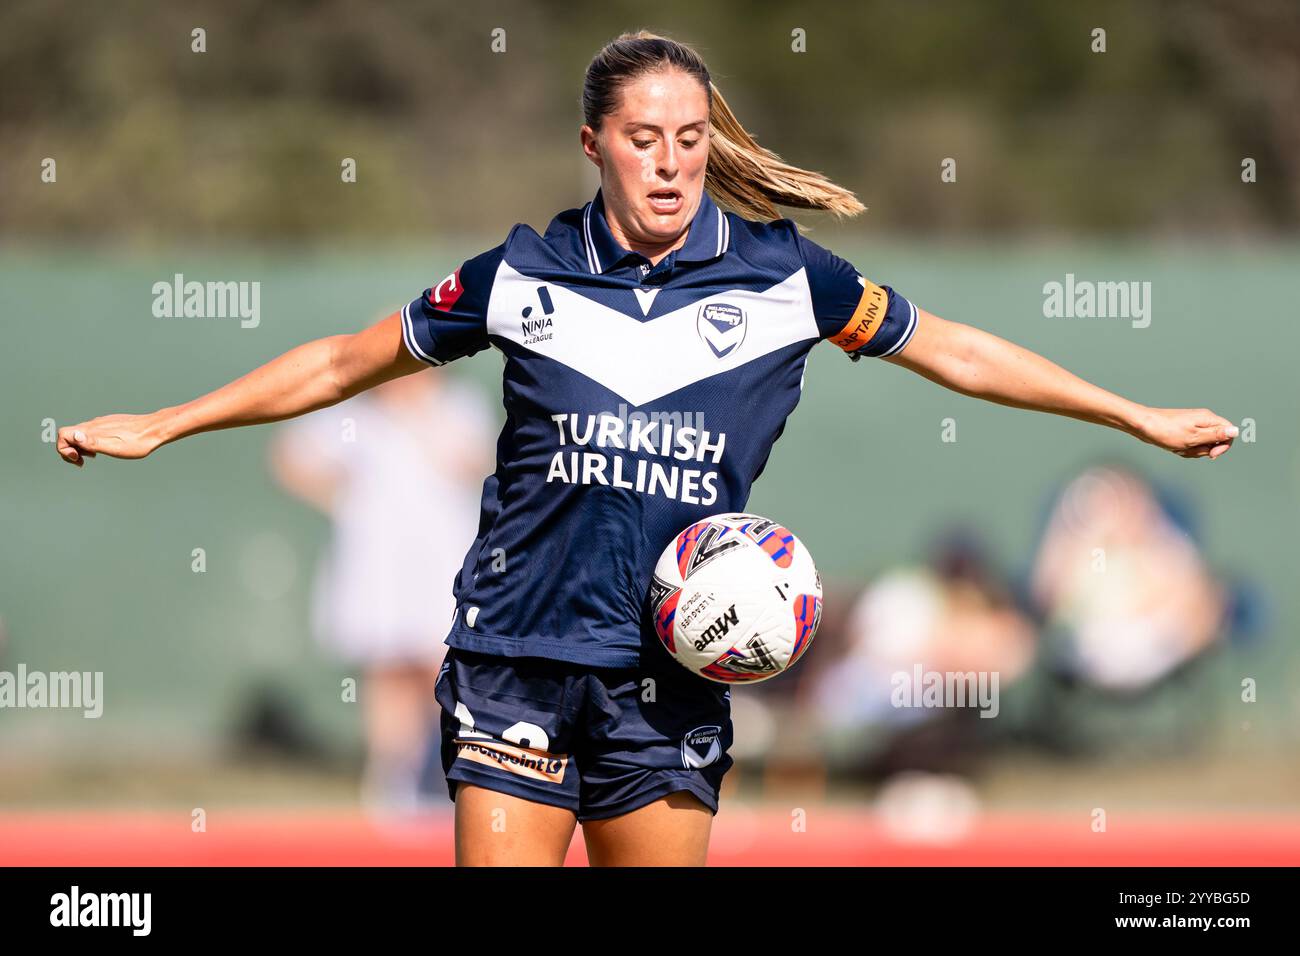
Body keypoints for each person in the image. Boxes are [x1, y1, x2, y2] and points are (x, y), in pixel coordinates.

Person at [55, 31, 1237, 866]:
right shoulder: (519, 275)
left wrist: (1130, 413)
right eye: (641, 138)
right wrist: (166, 420)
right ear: (593, 144)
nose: (668, 161)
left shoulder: (786, 278)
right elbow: (337, 364)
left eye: (686, 137)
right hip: (516, 652)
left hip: (669, 670)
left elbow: (959, 352)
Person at [270, 371, 494, 813]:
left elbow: (477, 463)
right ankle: (392, 788)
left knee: (444, 670)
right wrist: (339, 498)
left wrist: (418, 416)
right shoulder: (354, 417)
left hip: (443, 564)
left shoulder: (459, 406)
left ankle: (442, 776)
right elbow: (288, 457)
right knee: (388, 670)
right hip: (379, 568)